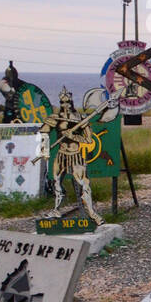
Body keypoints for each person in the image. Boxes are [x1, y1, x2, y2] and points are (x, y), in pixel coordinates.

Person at [39, 88, 103, 224]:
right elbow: (43, 132)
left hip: (76, 155)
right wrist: (44, 150)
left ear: (71, 102)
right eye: (62, 102)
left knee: (84, 184)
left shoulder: (79, 118)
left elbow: (89, 139)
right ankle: (56, 209)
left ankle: (92, 213)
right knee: (56, 182)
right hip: (61, 154)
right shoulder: (56, 118)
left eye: (67, 102)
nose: (64, 105)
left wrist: (73, 136)